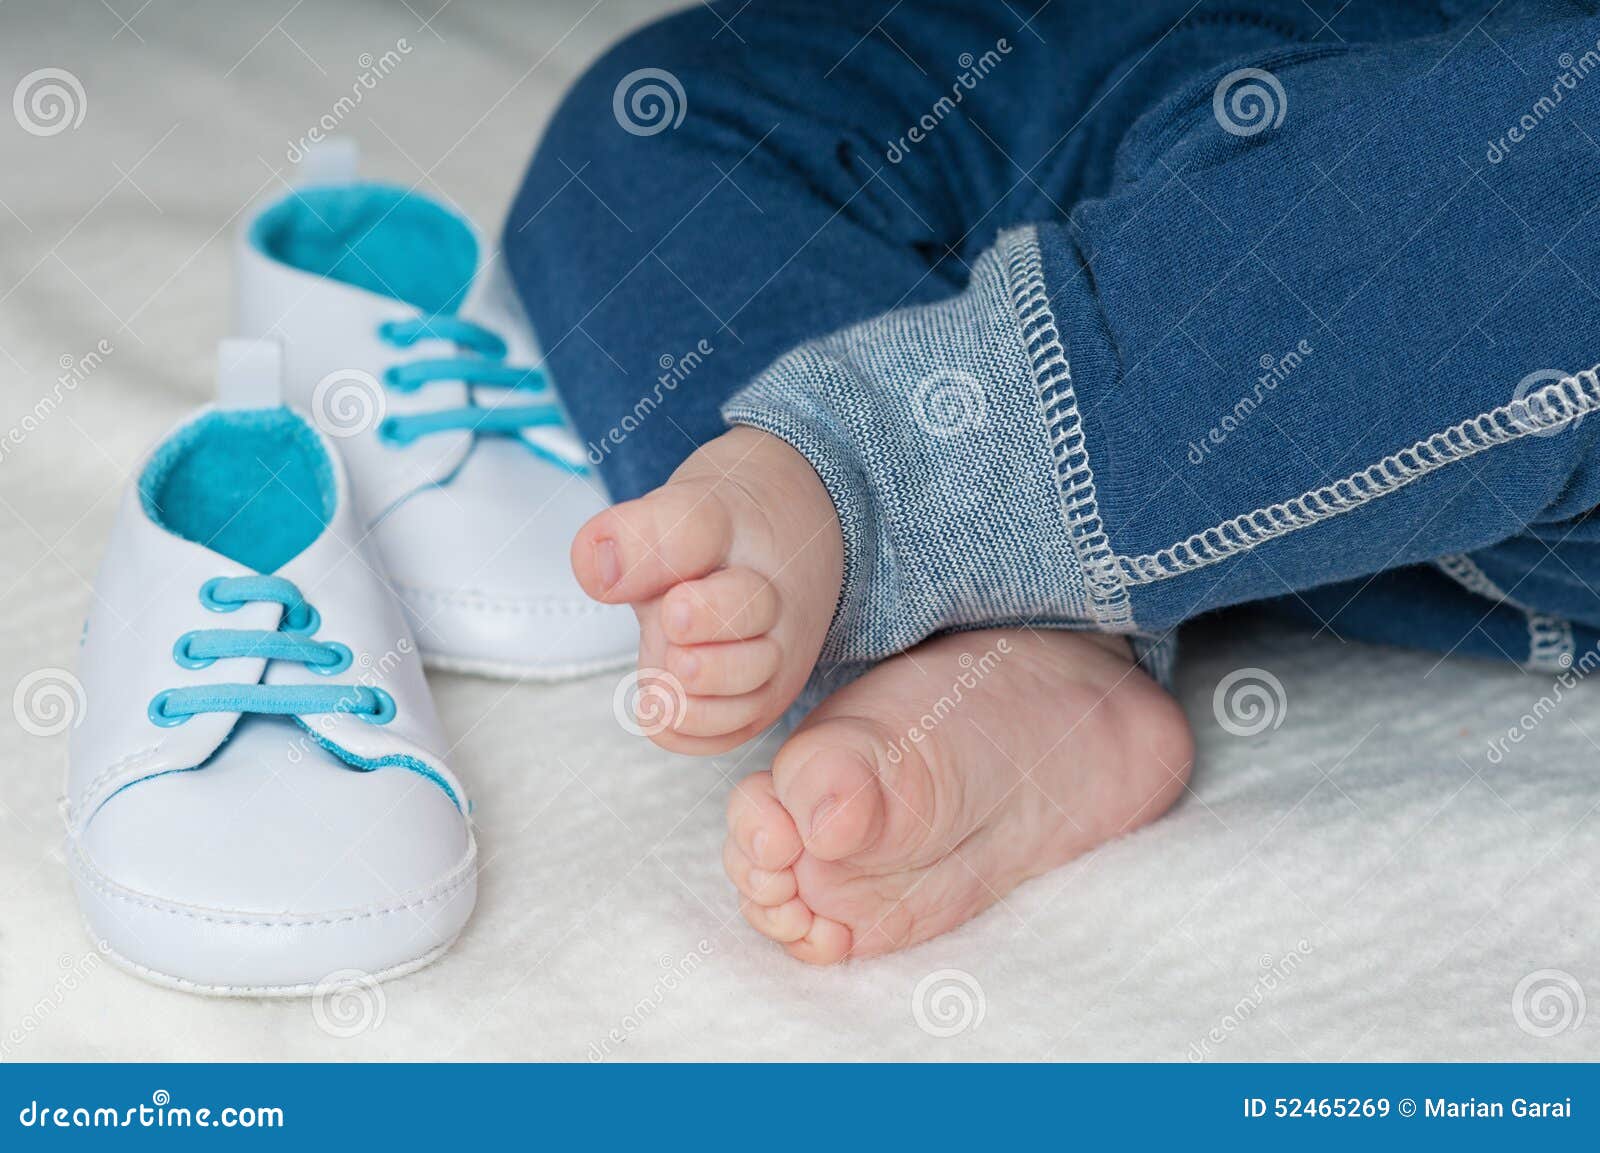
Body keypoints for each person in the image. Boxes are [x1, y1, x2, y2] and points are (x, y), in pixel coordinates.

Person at [504, 0, 1600, 964]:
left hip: (1512, 206)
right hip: (1116, 66)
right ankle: (1015, 643)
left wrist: (875, 469)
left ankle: (893, 490)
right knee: (659, 118)